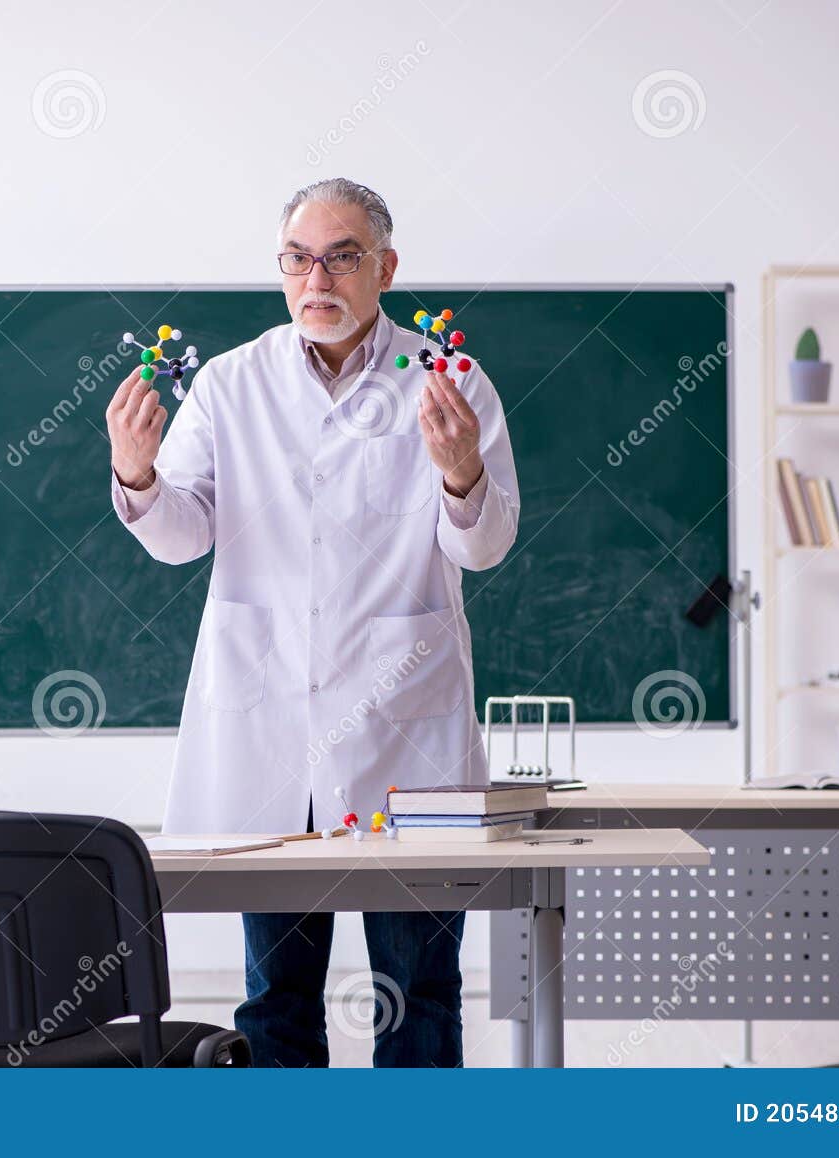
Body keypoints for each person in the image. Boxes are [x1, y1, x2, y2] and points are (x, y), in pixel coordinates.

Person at [105, 178, 519, 1066]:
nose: (316, 277)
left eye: (342, 256)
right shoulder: (231, 383)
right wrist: (139, 476)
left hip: (404, 730)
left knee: (420, 998)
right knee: (278, 996)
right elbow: (182, 539)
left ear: (387, 267)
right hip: (270, 734)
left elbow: (483, 549)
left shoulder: (448, 382)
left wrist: (457, 474)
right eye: (298, 258)